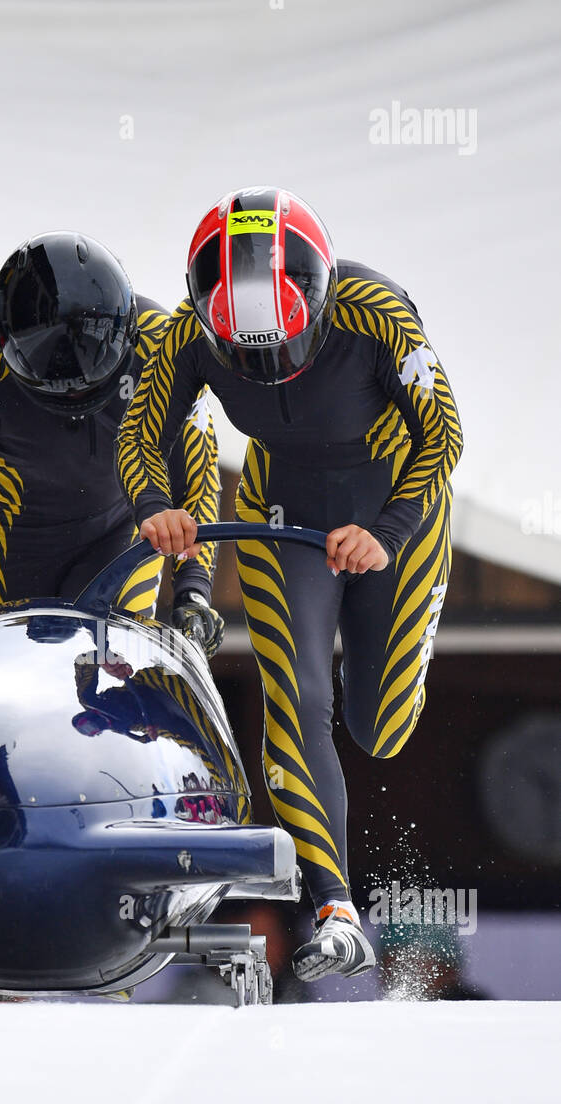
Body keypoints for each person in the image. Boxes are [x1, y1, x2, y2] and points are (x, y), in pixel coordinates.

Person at [116, 187, 463, 982]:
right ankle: (334, 904)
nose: (268, 369)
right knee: (299, 696)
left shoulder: (377, 312)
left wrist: (388, 535)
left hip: (393, 512)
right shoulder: (185, 335)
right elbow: (142, 437)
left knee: (379, 727)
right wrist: (154, 509)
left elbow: (443, 433)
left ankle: (364, 663)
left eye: (283, 347)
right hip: (282, 511)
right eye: (248, 353)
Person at [0, 231, 223, 655]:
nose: (77, 399)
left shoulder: (163, 346)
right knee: (9, 683)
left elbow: (197, 477)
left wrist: (193, 591)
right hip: (5, 540)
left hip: (119, 534)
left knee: (109, 680)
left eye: (86, 386)